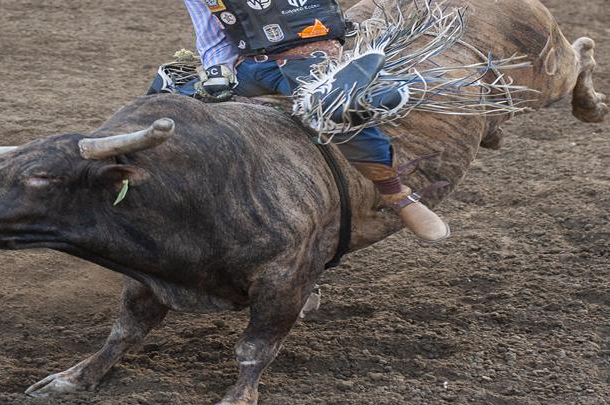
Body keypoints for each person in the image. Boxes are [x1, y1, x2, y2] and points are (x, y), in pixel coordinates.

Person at [182, 0, 449, 242]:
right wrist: (217, 71)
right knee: (173, 100)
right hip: (248, 66)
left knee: (334, 109)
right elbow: (211, 37)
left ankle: (396, 194)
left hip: (307, 57)